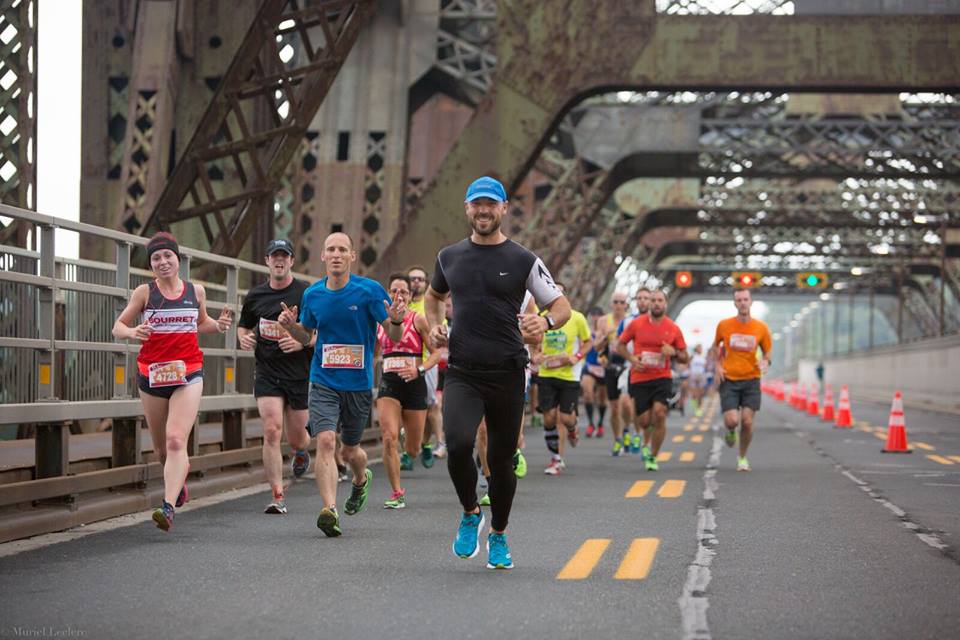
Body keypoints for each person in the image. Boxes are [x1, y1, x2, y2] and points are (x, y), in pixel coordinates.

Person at [425, 176, 570, 570]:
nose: (483, 211)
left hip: (507, 371)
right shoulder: (449, 257)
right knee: (456, 445)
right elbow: (434, 296)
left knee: (502, 462)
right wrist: (435, 326)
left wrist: (546, 323)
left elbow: (561, 306)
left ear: (504, 208)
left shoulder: (523, 259)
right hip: (462, 371)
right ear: (467, 208)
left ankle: (500, 533)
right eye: (477, 204)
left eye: (491, 204)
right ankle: (471, 512)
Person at [277, 232, 405, 536]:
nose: (336, 254)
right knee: (324, 441)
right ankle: (330, 509)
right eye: (330, 249)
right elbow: (306, 336)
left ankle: (361, 479)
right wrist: (290, 327)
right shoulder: (313, 295)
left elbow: (394, 337)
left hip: (358, 384)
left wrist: (397, 321)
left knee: (350, 452)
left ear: (352, 256)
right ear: (322, 256)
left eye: (342, 250)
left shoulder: (369, 291)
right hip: (322, 380)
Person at [112, 232, 233, 531]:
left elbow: (200, 322)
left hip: (188, 372)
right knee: (161, 450)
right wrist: (133, 332)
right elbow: (118, 326)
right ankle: (178, 482)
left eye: (168, 256)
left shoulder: (196, 291)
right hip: (152, 374)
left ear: (178, 260)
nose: (163, 262)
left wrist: (217, 326)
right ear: (151, 265)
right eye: (156, 258)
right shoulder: (144, 293)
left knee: (177, 438)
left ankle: (166, 508)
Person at [237, 239, 314, 515]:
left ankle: (302, 452)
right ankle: (277, 495)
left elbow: (316, 334)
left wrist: (300, 341)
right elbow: (244, 327)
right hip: (268, 371)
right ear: (267, 261)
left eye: (285, 256)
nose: (279, 261)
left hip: (298, 373)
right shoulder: (256, 295)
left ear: (292, 261)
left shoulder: (305, 294)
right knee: (271, 430)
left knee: (298, 439)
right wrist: (245, 340)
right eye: (274, 256)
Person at [375, 272, 440, 509]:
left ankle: (409, 440)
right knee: (388, 437)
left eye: (403, 291)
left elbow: (436, 353)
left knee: (412, 450)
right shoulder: (380, 321)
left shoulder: (418, 319)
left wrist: (419, 370)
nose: (398, 295)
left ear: (410, 296)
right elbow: (372, 355)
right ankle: (396, 492)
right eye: (394, 290)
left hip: (415, 384)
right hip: (389, 384)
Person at [617, 289, 688, 472]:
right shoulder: (636, 324)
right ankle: (645, 441)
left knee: (659, 414)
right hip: (640, 377)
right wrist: (632, 359)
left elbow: (684, 357)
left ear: (665, 304)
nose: (656, 303)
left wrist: (674, 353)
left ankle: (653, 456)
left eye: (660, 301)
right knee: (644, 421)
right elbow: (620, 345)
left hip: (662, 378)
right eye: (654, 300)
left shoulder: (673, 328)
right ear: (649, 304)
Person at [535, 282, 592, 475]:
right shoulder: (541, 319)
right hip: (547, 373)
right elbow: (533, 343)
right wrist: (536, 355)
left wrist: (575, 358)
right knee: (549, 418)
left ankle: (573, 428)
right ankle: (556, 459)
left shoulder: (577, 318)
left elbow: (588, 342)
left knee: (566, 418)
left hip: (569, 375)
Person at [713, 288, 772, 472]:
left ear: (751, 301)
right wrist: (718, 366)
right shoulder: (724, 325)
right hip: (729, 379)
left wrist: (765, 361)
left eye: (746, 299)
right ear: (735, 303)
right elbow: (716, 346)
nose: (743, 303)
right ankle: (730, 431)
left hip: (751, 379)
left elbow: (768, 351)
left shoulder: (761, 328)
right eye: (739, 300)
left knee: (746, 421)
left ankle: (742, 457)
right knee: (732, 421)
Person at [407, 265, 445, 463]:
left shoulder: (430, 304)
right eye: (412, 278)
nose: (416, 282)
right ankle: (415, 447)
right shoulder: (401, 303)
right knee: (408, 407)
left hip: (427, 360)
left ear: (426, 283)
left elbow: (441, 331)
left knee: (431, 404)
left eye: (420, 279)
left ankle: (438, 442)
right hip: (405, 361)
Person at [595, 292, 629, 456]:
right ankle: (618, 439)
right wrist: (606, 338)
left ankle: (628, 429)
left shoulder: (631, 321)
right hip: (610, 366)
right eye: (615, 302)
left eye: (622, 302)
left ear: (626, 305)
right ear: (611, 304)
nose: (618, 305)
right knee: (614, 408)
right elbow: (596, 347)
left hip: (627, 366)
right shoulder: (603, 321)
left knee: (626, 404)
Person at [582, 307, 607, 438]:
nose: (596, 317)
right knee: (587, 393)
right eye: (593, 315)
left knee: (602, 399)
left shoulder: (607, 332)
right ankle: (591, 424)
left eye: (598, 315)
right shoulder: (586, 331)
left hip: (603, 368)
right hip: (590, 366)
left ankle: (601, 423)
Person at [688, 345, 708, 416]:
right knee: (694, 394)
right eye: (699, 348)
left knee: (701, 394)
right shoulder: (692, 357)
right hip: (693, 376)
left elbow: (705, 367)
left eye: (701, 348)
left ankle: (699, 409)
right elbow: (688, 364)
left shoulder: (703, 358)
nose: (700, 349)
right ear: (696, 349)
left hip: (701, 376)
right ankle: (696, 408)